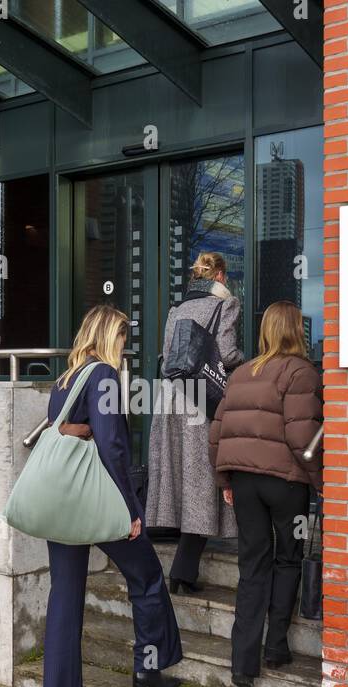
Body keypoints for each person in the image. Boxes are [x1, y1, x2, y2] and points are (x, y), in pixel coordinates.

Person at [42, 304, 184, 687]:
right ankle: (148, 670)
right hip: (101, 502)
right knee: (146, 578)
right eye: (123, 339)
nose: (125, 349)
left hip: (62, 503)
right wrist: (131, 508)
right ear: (109, 336)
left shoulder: (65, 378)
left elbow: (60, 429)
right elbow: (112, 445)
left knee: (64, 603)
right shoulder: (103, 375)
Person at [209, 301, 322, 687]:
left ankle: (242, 665)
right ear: (297, 331)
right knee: (288, 558)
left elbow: (217, 432)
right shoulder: (302, 372)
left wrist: (226, 481)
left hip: (245, 482)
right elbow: (303, 438)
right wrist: (320, 482)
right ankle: (276, 647)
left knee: (252, 566)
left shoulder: (241, 373)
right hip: (286, 483)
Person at [146, 251, 245, 596]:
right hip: (202, 399)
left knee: (183, 477)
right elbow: (228, 354)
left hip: (172, 398)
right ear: (219, 276)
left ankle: (182, 569)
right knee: (204, 478)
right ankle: (184, 571)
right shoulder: (226, 304)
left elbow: (167, 357)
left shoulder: (177, 310)